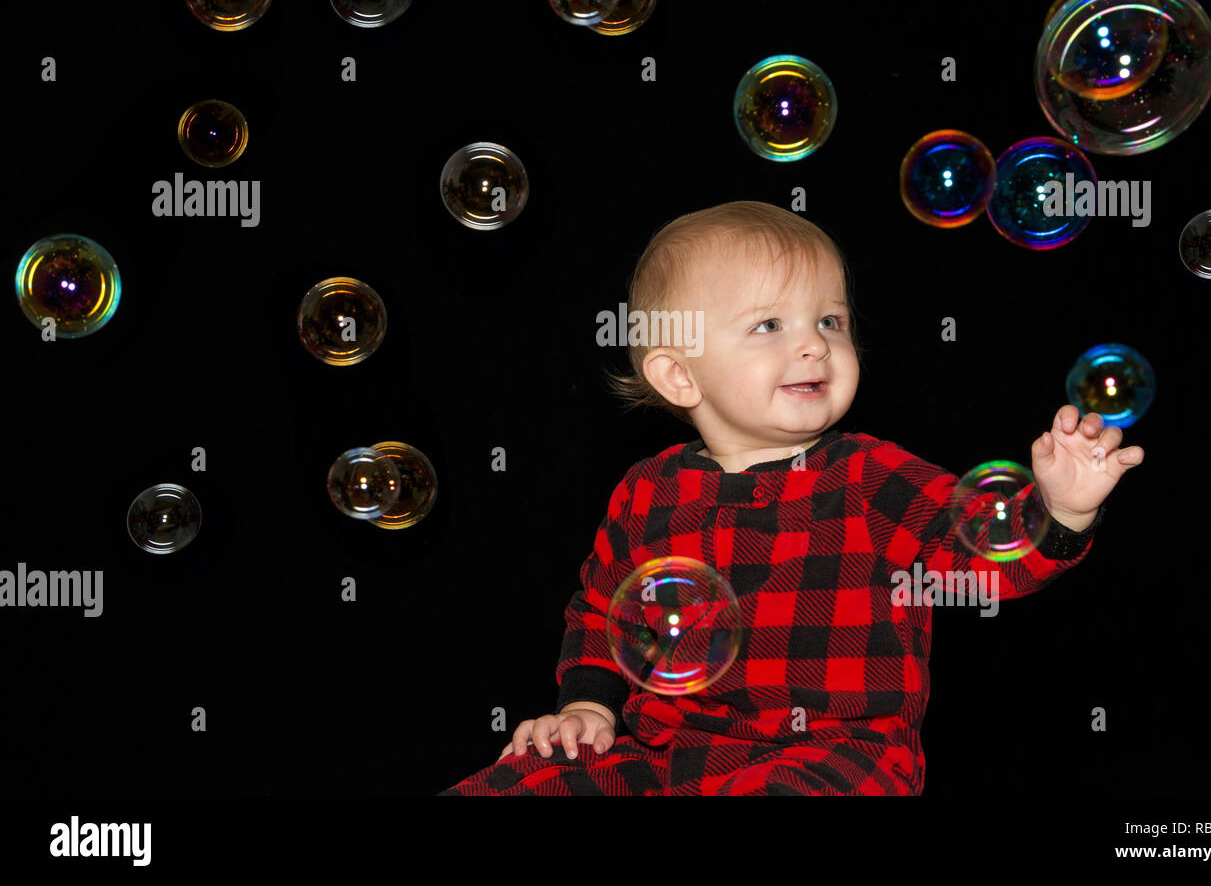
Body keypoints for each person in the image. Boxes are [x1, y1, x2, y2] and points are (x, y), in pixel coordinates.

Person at [440, 201, 1143, 795]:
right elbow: (601, 614)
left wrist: (1062, 508)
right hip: (672, 754)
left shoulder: (872, 477)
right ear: (679, 377)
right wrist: (587, 706)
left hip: (840, 756)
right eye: (769, 326)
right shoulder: (648, 491)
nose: (814, 346)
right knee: (518, 781)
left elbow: (985, 558)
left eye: (831, 322)